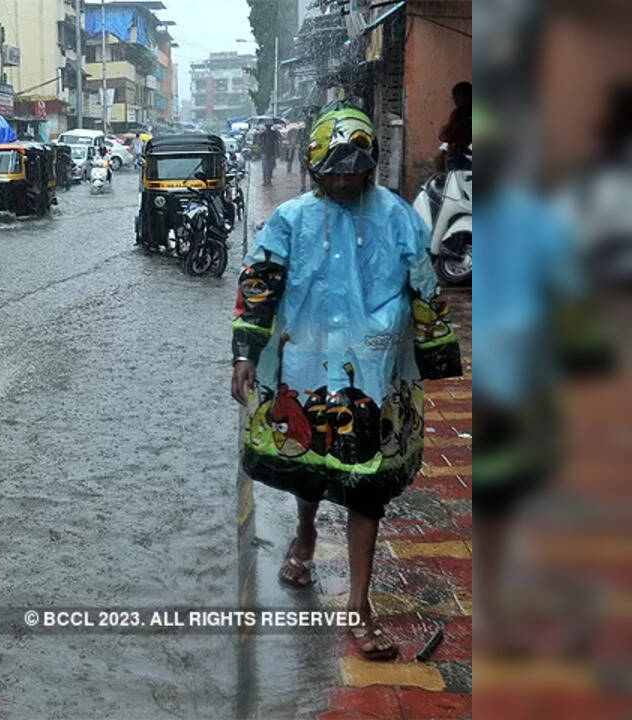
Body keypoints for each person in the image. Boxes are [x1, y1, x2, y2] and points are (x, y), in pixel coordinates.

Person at [229, 106, 461, 662]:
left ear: (369, 167)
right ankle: (305, 534)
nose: (343, 181)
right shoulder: (289, 220)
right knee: (312, 465)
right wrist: (246, 352)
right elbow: (259, 283)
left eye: (353, 171)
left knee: (366, 485)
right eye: (332, 172)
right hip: (306, 366)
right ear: (314, 168)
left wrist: (433, 356)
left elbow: (425, 289)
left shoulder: (398, 217)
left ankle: (359, 606)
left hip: (377, 370)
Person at [439, 82, 472, 171]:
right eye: (454, 96)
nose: (455, 99)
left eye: (458, 96)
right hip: (456, 157)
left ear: (468, 97)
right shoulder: (457, 113)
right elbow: (444, 135)